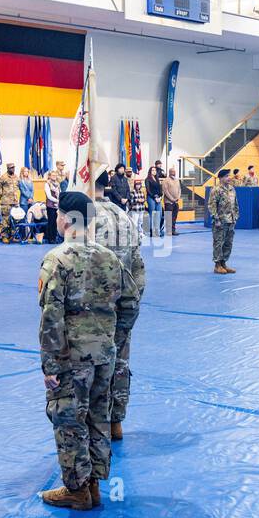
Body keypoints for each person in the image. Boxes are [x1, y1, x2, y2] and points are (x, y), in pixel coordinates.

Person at [37, 191, 136, 511]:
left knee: (68, 418)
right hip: (104, 355)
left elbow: (51, 316)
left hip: (71, 357)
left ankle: (77, 489)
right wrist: (113, 339)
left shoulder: (57, 259)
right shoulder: (110, 258)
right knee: (97, 416)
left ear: (65, 219)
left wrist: (50, 366)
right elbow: (130, 303)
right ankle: (93, 483)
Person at [91, 170, 146, 442]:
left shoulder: (86, 218)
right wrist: (131, 305)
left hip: (94, 310)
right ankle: (116, 422)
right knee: (121, 362)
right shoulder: (124, 216)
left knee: (96, 364)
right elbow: (138, 266)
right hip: (123, 304)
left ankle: (97, 423)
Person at [208, 169, 238, 274]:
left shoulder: (232, 189)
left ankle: (224, 263)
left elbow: (235, 204)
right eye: (226, 176)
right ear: (220, 178)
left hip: (231, 221)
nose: (228, 178)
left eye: (229, 176)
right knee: (218, 243)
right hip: (220, 221)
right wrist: (216, 219)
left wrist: (236, 217)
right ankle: (217, 265)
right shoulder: (216, 190)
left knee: (228, 243)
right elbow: (212, 206)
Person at [0, 162, 19, 243]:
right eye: (11, 168)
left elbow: (17, 188)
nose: (13, 169)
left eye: (13, 167)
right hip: (6, 202)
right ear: (8, 168)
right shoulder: (3, 177)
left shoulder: (16, 177)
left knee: (13, 220)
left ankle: (12, 236)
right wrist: (1, 197)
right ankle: (4, 236)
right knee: (5, 220)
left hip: (14, 202)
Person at [145, 161, 164, 237]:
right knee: (152, 214)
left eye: (155, 170)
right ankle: (151, 231)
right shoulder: (147, 179)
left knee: (159, 214)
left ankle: (157, 230)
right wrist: (155, 197)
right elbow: (148, 190)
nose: (154, 171)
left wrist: (160, 197)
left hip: (158, 199)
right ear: (150, 172)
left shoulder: (157, 179)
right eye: (152, 170)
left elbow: (160, 190)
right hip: (151, 198)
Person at [44, 165, 62, 243]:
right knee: (51, 222)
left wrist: (59, 198)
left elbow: (60, 193)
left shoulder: (57, 184)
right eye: (53, 175)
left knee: (56, 222)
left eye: (55, 175)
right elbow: (49, 196)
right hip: (50, 205)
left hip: (56, 206)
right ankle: (50, 238)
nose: (54, 176)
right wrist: (57, 200)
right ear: (50, 176)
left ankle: (54, 237)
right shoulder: (47, 184)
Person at [162, 168, 182, 236]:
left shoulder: (177, 180)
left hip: (176, 202)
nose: (173, 173)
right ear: (169, 172)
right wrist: (172, 199)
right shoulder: (165, 180)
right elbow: (165, 191)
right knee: (168, 217)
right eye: (172, 172)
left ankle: (173, 230)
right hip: (168, 202)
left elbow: (179, 189)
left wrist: (178, 197)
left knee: (174, 217)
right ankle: (168, 231)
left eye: (174, 171)